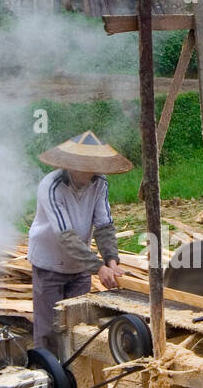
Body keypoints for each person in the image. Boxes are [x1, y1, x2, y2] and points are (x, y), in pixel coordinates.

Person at [27, 131, 134, 354]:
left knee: (77, 325)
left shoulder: (99, 183)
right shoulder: (51, 186)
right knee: (48, 328)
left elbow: (104, 225)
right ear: (73, 165)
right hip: (50, 264)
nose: (94, 170)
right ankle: (47, 375)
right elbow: (65, 236)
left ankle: (75, 375)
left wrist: (111, 260)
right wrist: (98, 267)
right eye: (89, 165)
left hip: (80, 266)